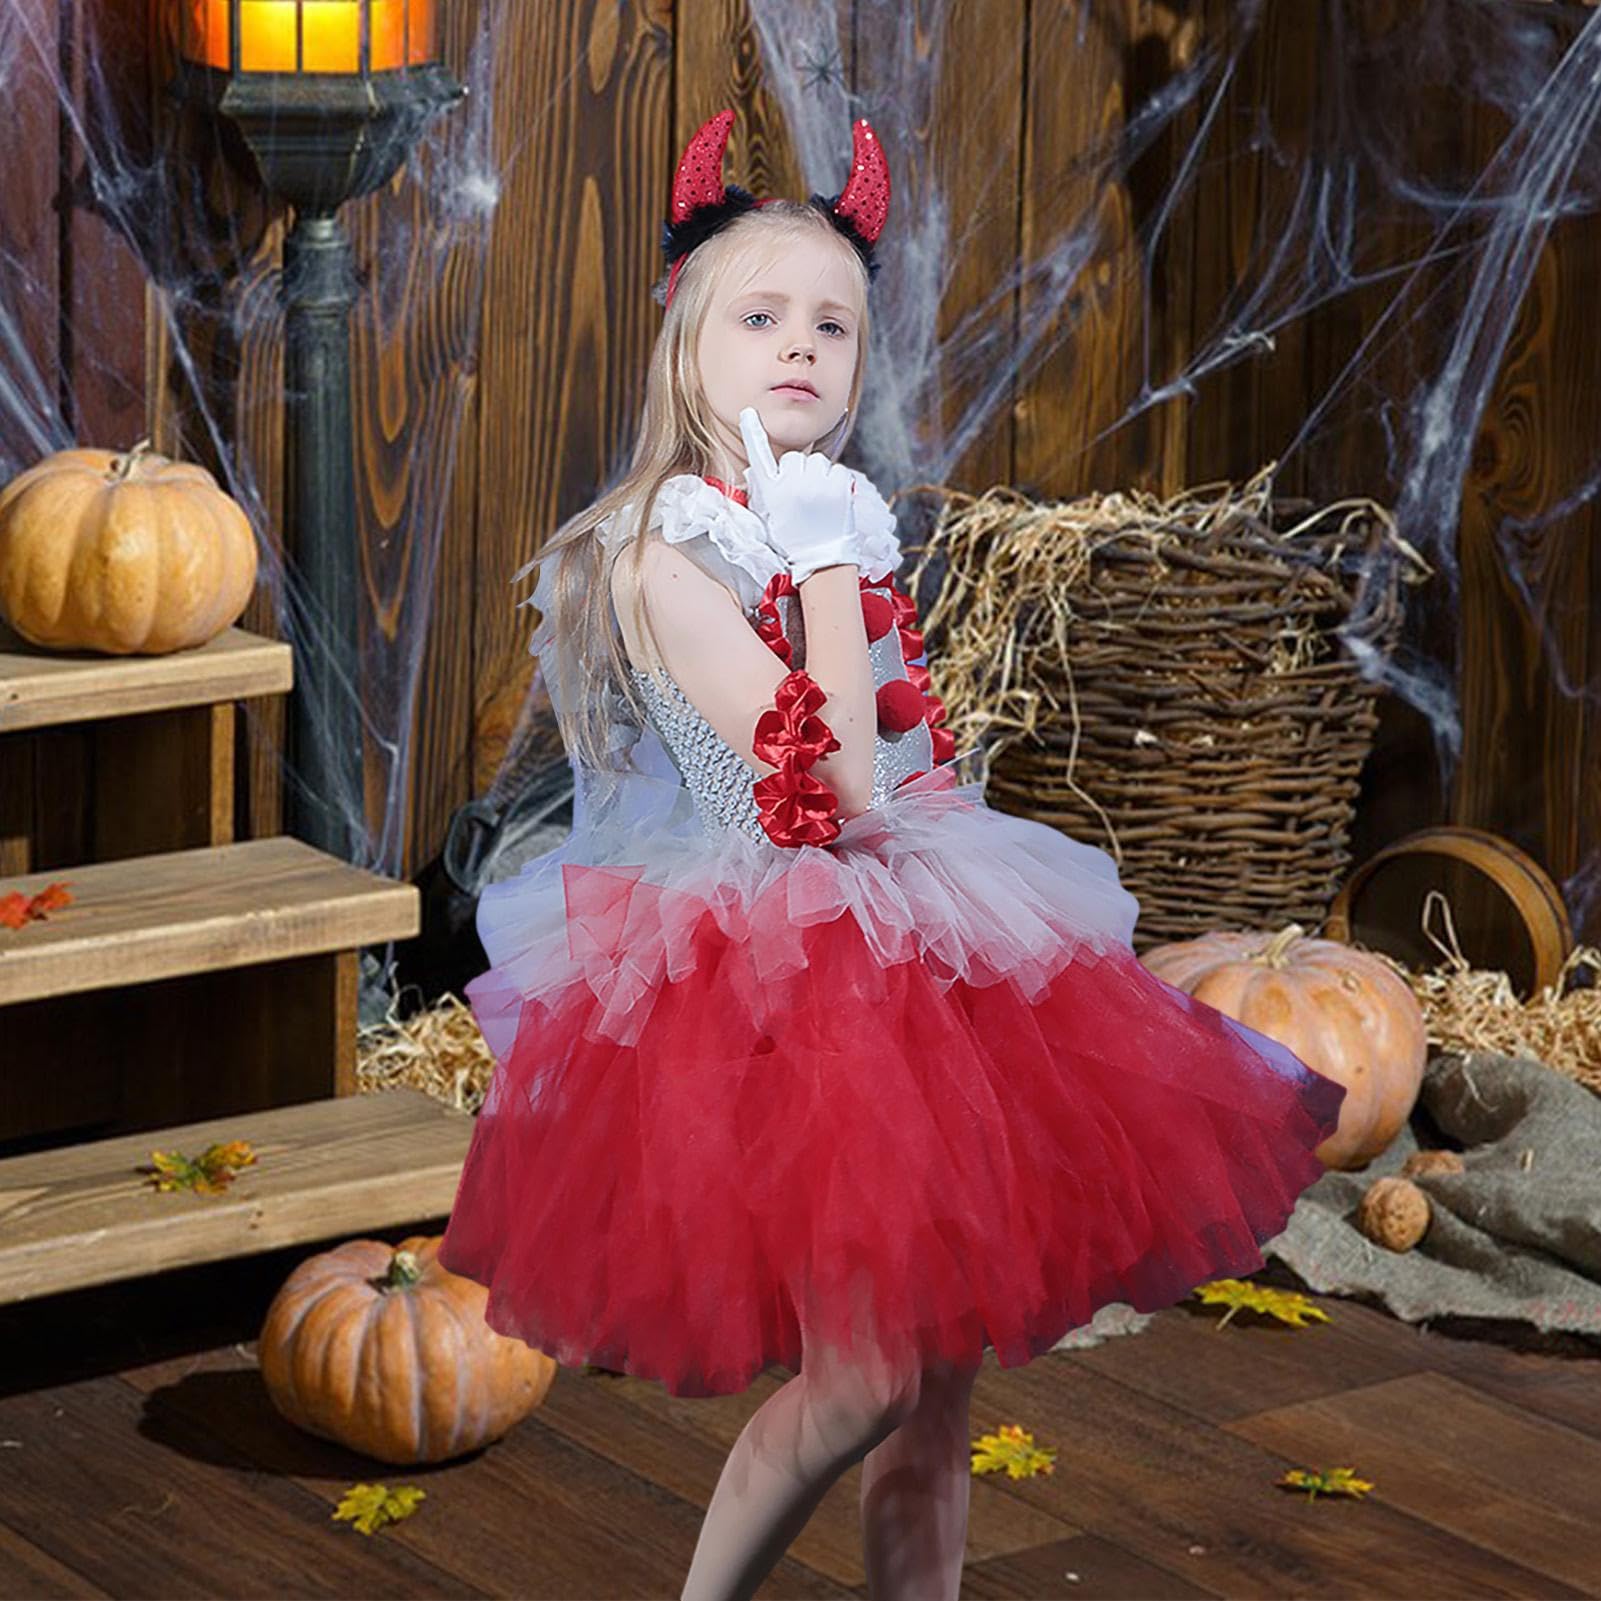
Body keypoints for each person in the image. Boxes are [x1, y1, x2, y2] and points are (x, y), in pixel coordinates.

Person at [437, 108, 1347, 1601]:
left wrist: (829, 556)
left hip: (922, 934)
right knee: (858, 1379)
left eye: (834, 325)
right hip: (778, 971)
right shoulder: (663, 555)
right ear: (684, 344)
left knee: (932, 1392)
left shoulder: (825, 522)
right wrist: (816, 562)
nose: (801, 345)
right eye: (760, 317)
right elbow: (836, 779)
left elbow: (904, 766)